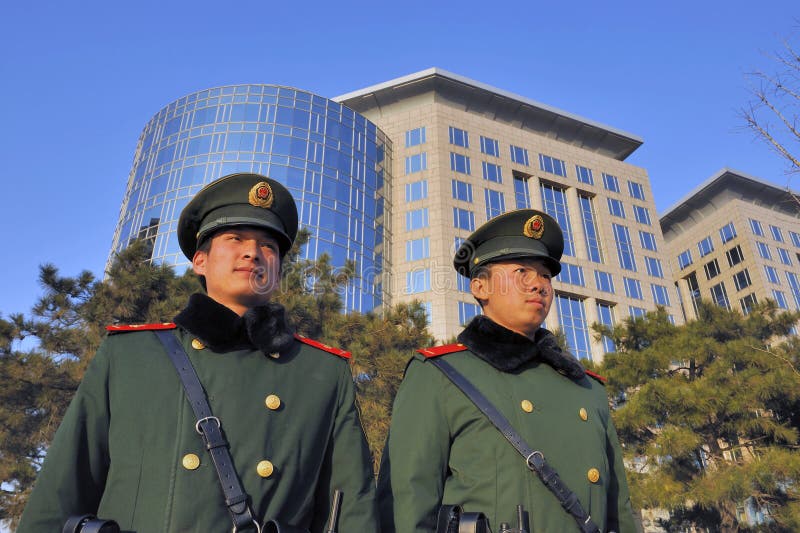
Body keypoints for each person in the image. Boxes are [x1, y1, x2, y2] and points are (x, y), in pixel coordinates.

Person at [18, 173, 379, 532]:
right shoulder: (130, 355)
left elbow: (353, 510)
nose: (253, 252)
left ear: (278, 270)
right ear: (199, 261)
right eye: (235, 238)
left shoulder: (321, 372)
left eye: (268, 246)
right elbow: (61, 492)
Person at [377, 209, 636, 533]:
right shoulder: (439, 375)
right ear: (480, 287)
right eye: (521, 271)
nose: (539, 285)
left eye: (545, 275)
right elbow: (407, 506)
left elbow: (620, 512)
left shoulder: (589, 389)